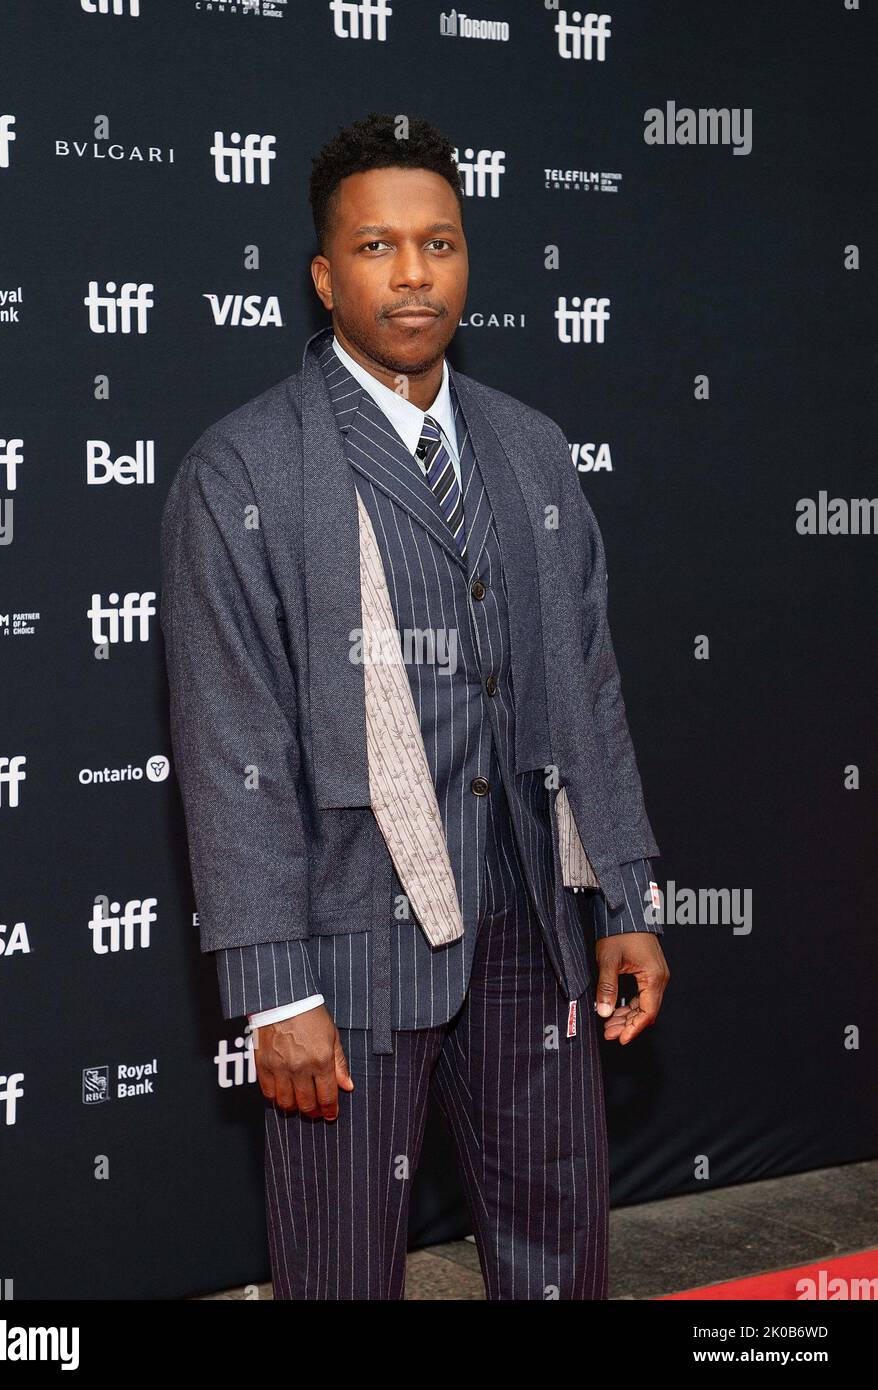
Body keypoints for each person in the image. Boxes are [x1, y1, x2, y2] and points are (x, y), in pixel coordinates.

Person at [159, 111, 669, 1301]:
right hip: (345, 938)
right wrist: (275, 986)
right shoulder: (241, 469)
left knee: (560, 1259)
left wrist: (627, 895)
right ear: (324, 275)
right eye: (377, 247)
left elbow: (586, 684)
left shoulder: (529, 447)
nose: (410, 274)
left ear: (465, 262)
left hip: (530, 925)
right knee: (338, 1271)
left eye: (435, 244)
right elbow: (230, 739)